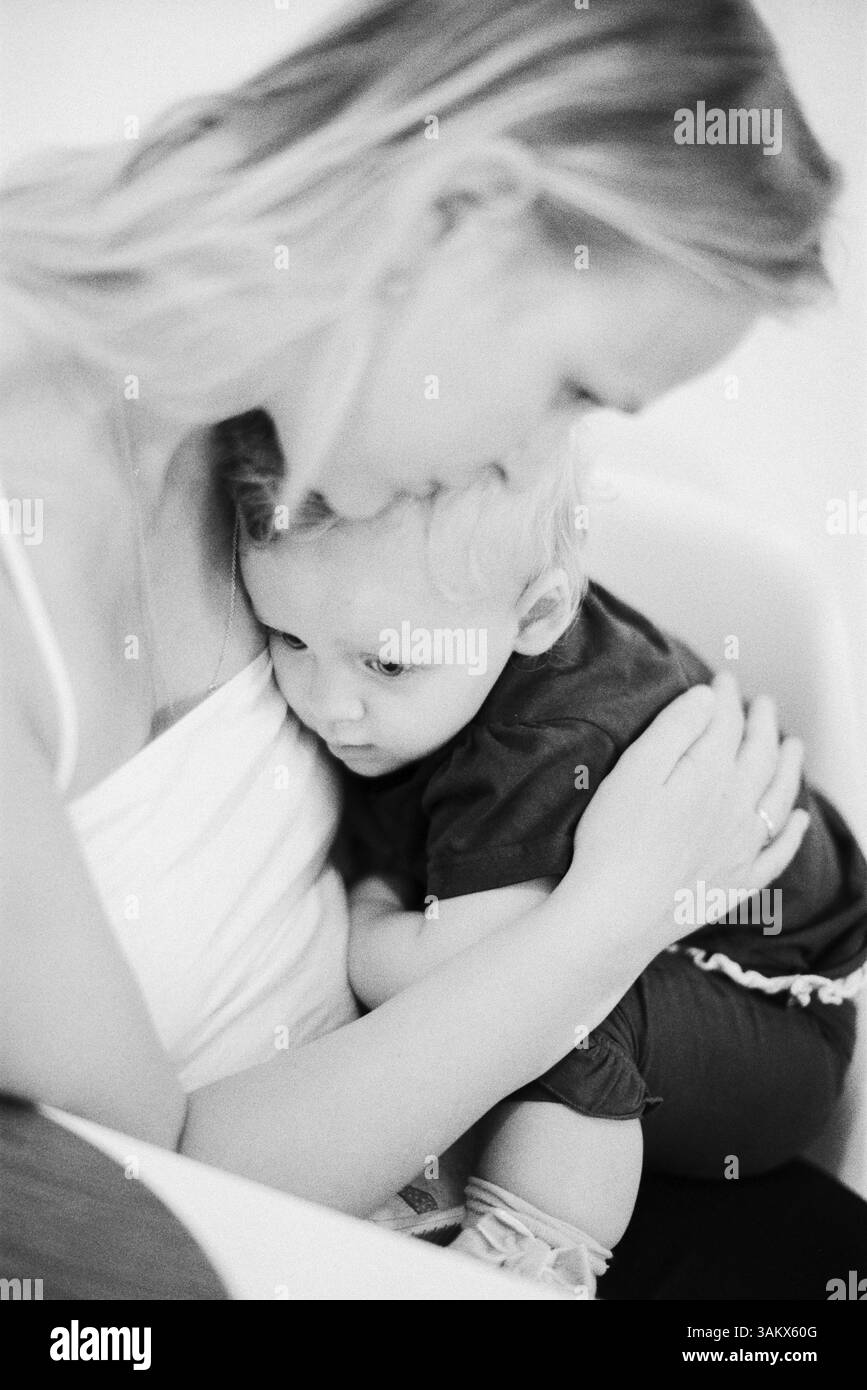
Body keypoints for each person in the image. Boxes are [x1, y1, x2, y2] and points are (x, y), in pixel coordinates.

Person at [0, 0, 840, 1221]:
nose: (532, 460)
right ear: (454, 213)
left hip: (434, 1143)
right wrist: (609, 917)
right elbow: (145, 1198)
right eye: (569, 391)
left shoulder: (254, 397)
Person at [232, 454, 866, 1293]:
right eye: (289, 638)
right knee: (545, 984)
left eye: (384, 666)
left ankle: (529, 1258)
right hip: (701, 973)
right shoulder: (462, 630)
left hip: (769, 1022)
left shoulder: (539, 746)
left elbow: (445, 974)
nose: (324, 702)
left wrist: (365, 905)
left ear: (536, 616)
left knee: (559, 1004)